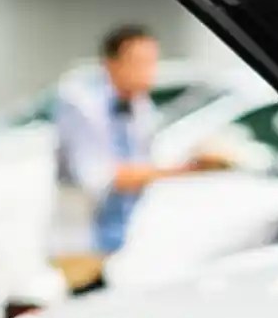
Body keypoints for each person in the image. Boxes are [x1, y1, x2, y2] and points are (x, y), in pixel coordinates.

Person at [55, 24, 219, 255]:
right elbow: (98, 176)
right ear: (111, 64)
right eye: (139, 62)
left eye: (152, 62)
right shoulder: (82, 106)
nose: (149, 72)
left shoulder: (140, 106)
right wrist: (185, 169)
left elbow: (146, 163)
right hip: (83, 241)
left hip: (126, 235)